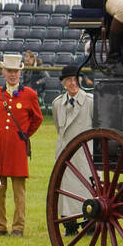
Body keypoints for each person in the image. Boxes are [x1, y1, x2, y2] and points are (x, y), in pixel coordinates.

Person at [0, 52, 43, 237]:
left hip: (17, 149)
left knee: (19, 191)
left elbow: (37, 119)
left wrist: (23, 135)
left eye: (15, 71)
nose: (12, 74)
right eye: (9, 71)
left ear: (20, 73)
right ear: (3, 72)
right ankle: (0, 226)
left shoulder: (29, 94)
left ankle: (18, 227)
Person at [52, 63, 94, 230]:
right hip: (65, 154)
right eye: (69, 80)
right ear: (63, 83)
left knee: (86, 189)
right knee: (65, 191)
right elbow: (58, 127)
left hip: (85, 156)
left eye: (76, 79)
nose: (73, 83)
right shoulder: (57, 104)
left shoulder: (90, 102)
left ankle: (89, 222)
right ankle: (69, 224)